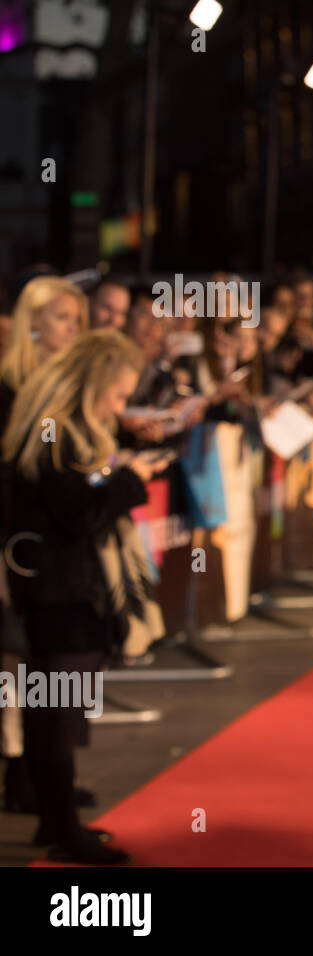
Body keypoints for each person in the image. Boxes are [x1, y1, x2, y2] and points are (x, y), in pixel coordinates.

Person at [2, 330, 171, 864]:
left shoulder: (52, 425)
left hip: (53, 583)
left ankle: (54, 820)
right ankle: (61, 828)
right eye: (119, 394)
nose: (121, 406)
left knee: (53, 707)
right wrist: (128, 480)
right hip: (61, 586)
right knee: (58, 707)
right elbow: (76, 513)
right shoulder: (59, 432)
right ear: (96, 382)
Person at [0, 276, 89, 815]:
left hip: (50, 545)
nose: (73, 330)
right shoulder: (11, 386)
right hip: (15, 541)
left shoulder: (64, 384)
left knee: (46, 667)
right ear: (32, 319)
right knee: (14, 663)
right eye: (63, 318)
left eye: (77, 321)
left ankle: (46, 776)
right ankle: (22, 776)